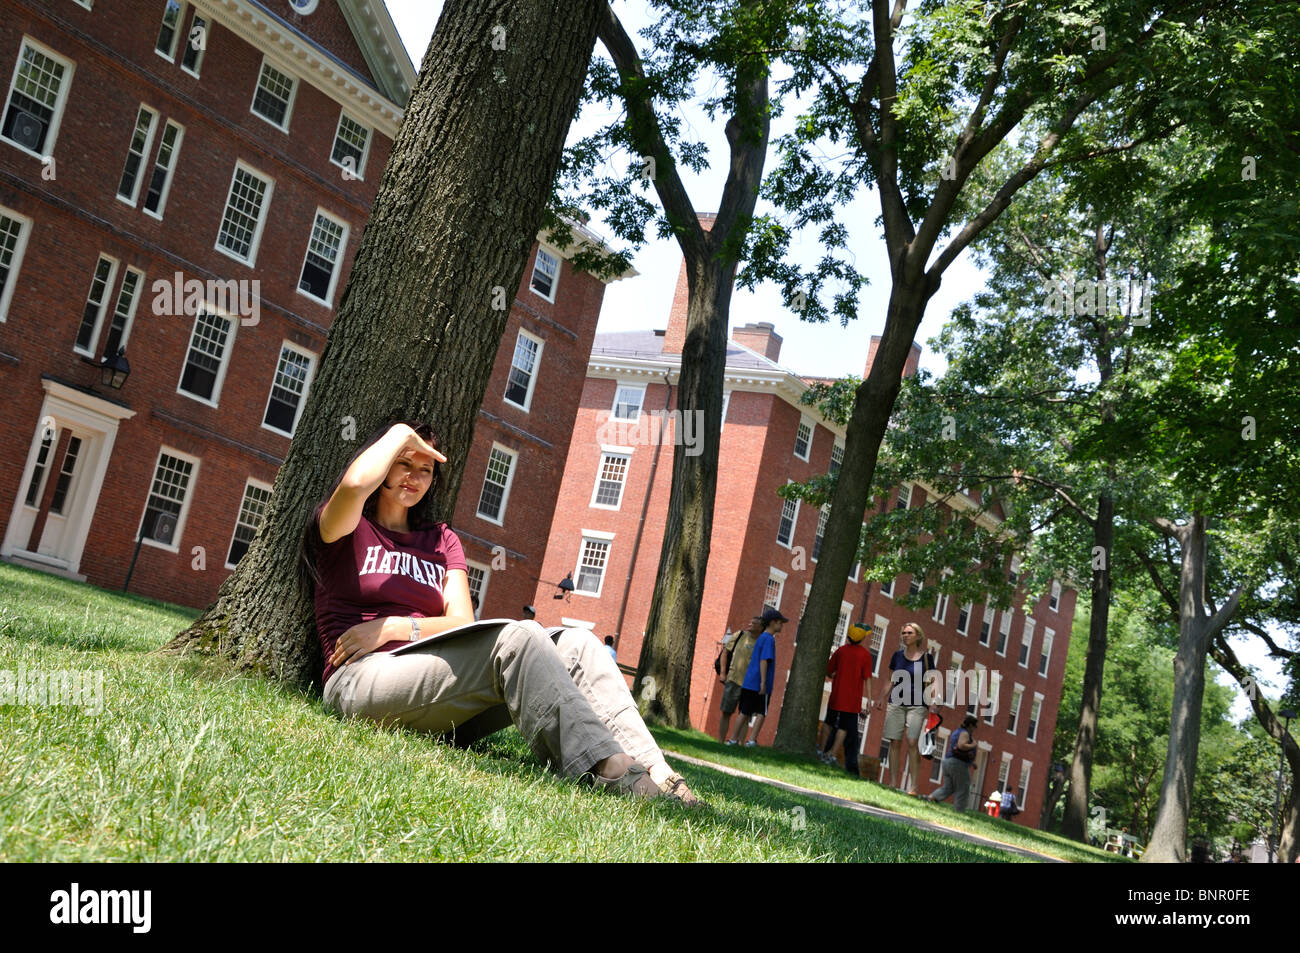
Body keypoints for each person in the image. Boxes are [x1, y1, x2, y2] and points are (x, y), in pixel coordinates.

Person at [305, 419, 698, 805]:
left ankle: (660, 775)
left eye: (426, 469)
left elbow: (461, 622)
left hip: (438, 686)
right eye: (404, 463)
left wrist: (394, 626)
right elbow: (356, 484)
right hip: (362, 679)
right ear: (383, 462)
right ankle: (607, 771)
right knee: (520, 635)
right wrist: (399, 434)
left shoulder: (441, 541)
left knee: (578, 643)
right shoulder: (347, 525)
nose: (415, 476)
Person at [876, 621, 938, 795]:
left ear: (918, 636)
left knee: (911, 742)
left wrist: (933, 702)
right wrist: (881, 697)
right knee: (894, 741)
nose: (905, 636)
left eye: (909, 633)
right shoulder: (897, 656)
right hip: (896, 702)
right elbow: (890, 679)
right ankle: (893, 782)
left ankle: (913, 786)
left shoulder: (927, 658)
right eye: (904, 633)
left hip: (917, 704)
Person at [818, 623, 874, 773]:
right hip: (852, 700)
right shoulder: (865, 655)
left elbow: (829, 671)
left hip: (836, 695)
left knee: (828, 722)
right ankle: (831, 754)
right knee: (843, 728)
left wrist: (835, 675)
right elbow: (868, 678)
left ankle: (821, 751)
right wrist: (869, 699)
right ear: (862, 639)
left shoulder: (841, 651)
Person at [728, 607, 786, 746]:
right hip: (759, 683)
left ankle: (732, 739)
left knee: (744, 712)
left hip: (749, 681)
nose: (782, 625)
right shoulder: (769, 640)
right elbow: (764, 660)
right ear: (773, 623)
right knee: (761, 712)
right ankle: (752, 740)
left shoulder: (761, 638)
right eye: (780, 622)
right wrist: (764, 682)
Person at [719, 614, 763, 743]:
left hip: (750, 684)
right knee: (726, 712)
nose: (750, 624)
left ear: (760, 628)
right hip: (733, 680)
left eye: (754, 623)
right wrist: (723, 673)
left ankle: (739, 744)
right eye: (750, 622)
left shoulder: (761, 642)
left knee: (745, 716)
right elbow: (725, 652)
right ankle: (720, 742)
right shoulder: (739, 635)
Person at [927, 714, 978, 810]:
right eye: (975, 726)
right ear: (970, 725)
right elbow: (961, 746)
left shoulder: (957, 732)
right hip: (958, 765)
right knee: (963, 789)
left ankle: (932, 798)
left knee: (948, 787)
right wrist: (973, 745)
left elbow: (957, 749)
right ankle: (959, 811)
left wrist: (972, 763)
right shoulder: (965, 733)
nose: (975, 729)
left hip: (948, 762)